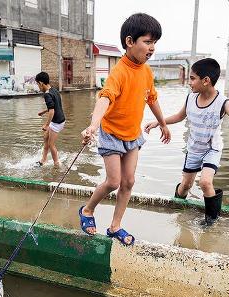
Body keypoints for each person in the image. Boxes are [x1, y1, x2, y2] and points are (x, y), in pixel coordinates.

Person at [79, 13, 171, 246]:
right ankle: (88, 210)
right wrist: (93, 125)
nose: (152, 48)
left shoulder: (147, 72)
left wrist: (163, 123)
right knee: (113, 182)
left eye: (155, 43)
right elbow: (105, 98)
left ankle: (115, 226)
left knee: (128, 182)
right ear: (130, 42)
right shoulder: (119, 71)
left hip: (133, 135)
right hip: (111, 133)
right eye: (147, 42)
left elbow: (152, 99)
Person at [144, 58, 229, 226]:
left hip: (212, 149)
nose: (189, 82)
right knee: (185, 186)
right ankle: (177, 209)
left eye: (192, 78)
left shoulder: (222, 101)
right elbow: (179, 116)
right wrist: (159, 122)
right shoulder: (190, 98)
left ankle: (211, 221)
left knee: (205, 182)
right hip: (193, 149)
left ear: (205, 81)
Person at [36, 71, 65, 167]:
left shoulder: (47, 94)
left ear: (41, 83)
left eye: (37, 84)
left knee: (51, 144)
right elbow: (54, 106)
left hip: (57, 122)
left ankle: (57, 164)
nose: (38, 87)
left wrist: (46, 125)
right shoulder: (54, 90)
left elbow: (52, 111)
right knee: (46, 138)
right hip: (59, 119)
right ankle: (43, 160)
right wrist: (43, 112)